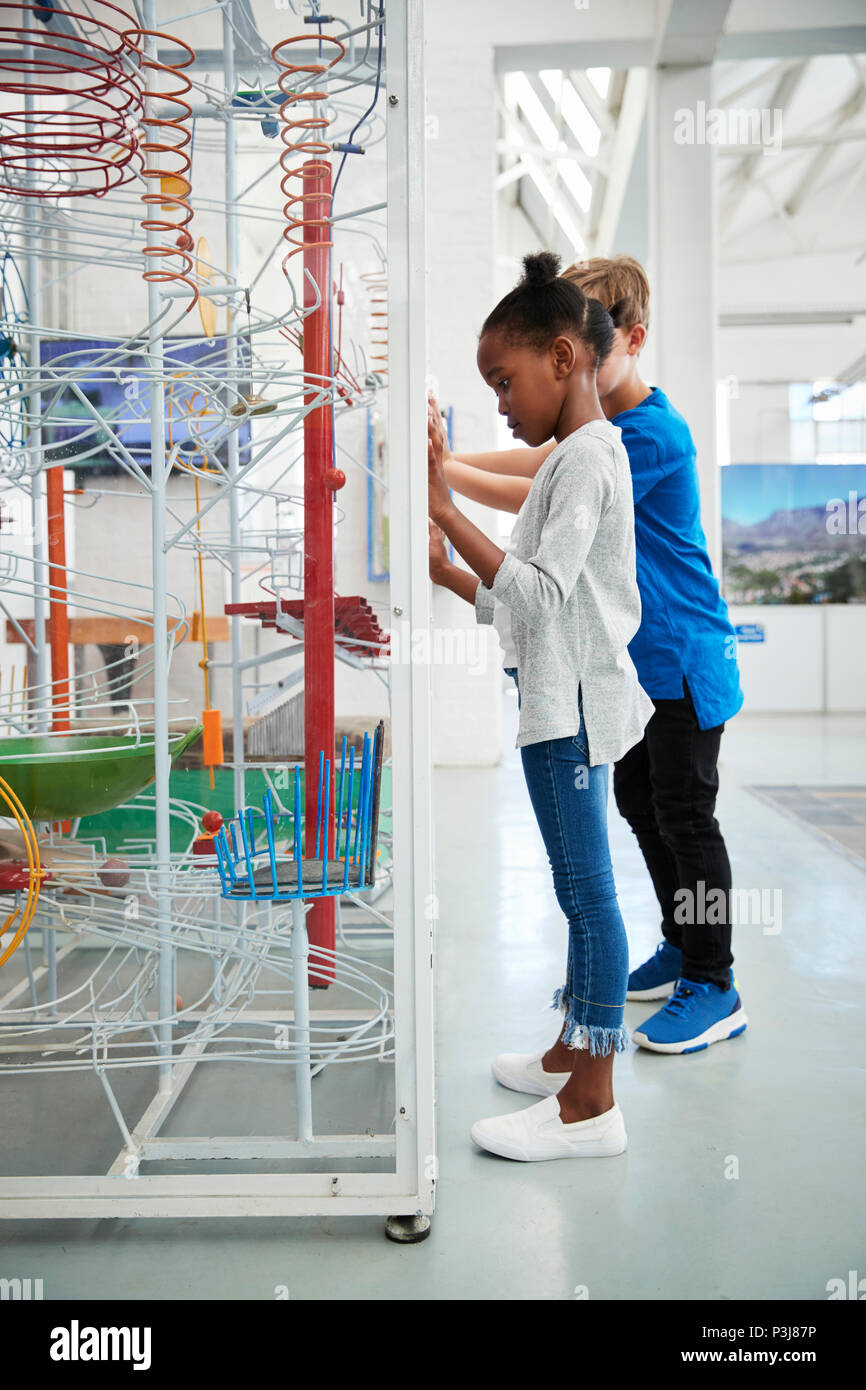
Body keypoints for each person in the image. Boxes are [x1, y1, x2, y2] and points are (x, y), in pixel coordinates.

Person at [433, 254, 747, 1057]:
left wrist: (441, 481)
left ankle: (714, 980)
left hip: (677, 657)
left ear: (623, 340)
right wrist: (446, 479)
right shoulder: (595, 432)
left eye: (595, 334)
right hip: (622, 666)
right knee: (643, 811)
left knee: (684, 819)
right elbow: (537, 472)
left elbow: (538, 481)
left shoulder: (640, 437)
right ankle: (679, 947)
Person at [427, 250, 654, 1162]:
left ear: (563, 358)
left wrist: (447, 512)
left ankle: (591, 1105)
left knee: (589, 898)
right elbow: (529, 599)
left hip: (570, 717)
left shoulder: (589, 459)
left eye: (505, 382)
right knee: (578, 893)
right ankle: (572, 1050)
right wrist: (451, 574)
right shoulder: (576, 459)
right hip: (560, 702)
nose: (502, 405)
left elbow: (538, 595)